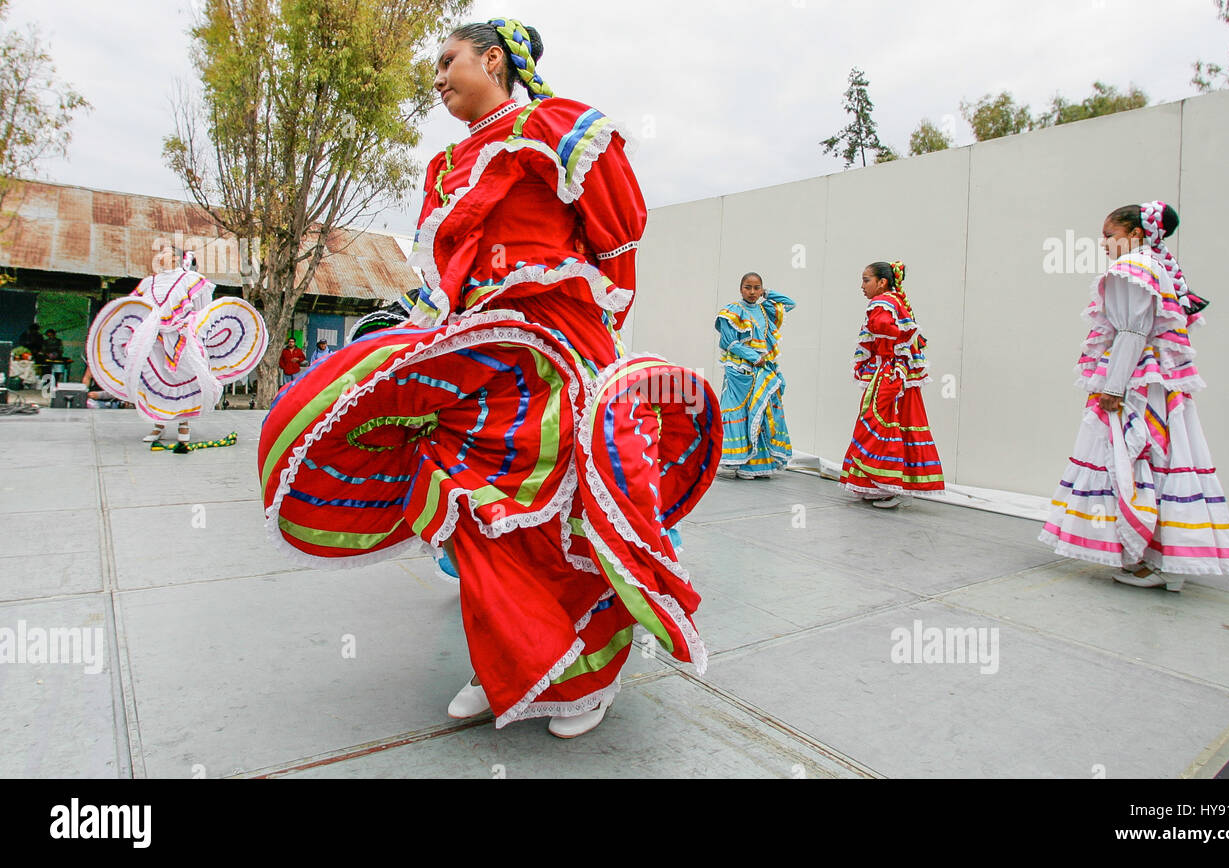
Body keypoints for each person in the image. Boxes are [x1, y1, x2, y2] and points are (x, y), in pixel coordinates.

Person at [258, 18, 721, 738]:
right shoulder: (444, 167)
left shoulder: (555, 126)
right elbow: (442, 275)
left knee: (562, 511)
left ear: (495, 59)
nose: (438, 78)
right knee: (474, 514)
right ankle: (507, 660)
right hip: (475, 357)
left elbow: (617, 232)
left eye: (449, 61)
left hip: (554, 346)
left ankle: (587, 678)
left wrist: (591, 326)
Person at [1039, 202, 1229, 588]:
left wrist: (1112, 388)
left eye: (1110, 235)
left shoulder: (1131, 270)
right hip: (1159, 386)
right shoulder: (1160, 269)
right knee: (1165, 455)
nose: (1103, 244)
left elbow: (1131, 332)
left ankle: (1146, 558)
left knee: (1130, 459)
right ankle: (1165, 559)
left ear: (1136, 234)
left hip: (1135, 385)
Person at [85, 256, 267, 442]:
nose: (166, 258)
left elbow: (201, 309)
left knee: (187, 379)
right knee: (157, 382)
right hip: (155, 341)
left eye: (172, 255)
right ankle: (159, 425)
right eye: (163, 254)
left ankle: (184, 424)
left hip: (181, 339)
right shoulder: (150, 282)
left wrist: (191, 326)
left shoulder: (190, 279)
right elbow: (134, 307)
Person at [839, 261, 944, 508]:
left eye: (866, 280)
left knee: (881, 425)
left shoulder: (882, 303)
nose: (862, 286)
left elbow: (889, 329)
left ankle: (886, 486)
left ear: (882, 282)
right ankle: (878, 485)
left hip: (888, 373)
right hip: (895, 372)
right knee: (895, 423)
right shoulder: (896, 301)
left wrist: (882, 331)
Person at [714, 272, 796, 478]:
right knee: (738, 411)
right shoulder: (732, 311)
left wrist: (768, 294)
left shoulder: (765, 308)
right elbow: (728, 342)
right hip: (739, 370)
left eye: (757, 288)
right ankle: (736, 460)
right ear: (740, 289)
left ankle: (755, 465)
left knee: (761, 411)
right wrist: (753, 357)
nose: (752, 292)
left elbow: (790, 303)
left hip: (763, 368)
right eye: (747, 287)